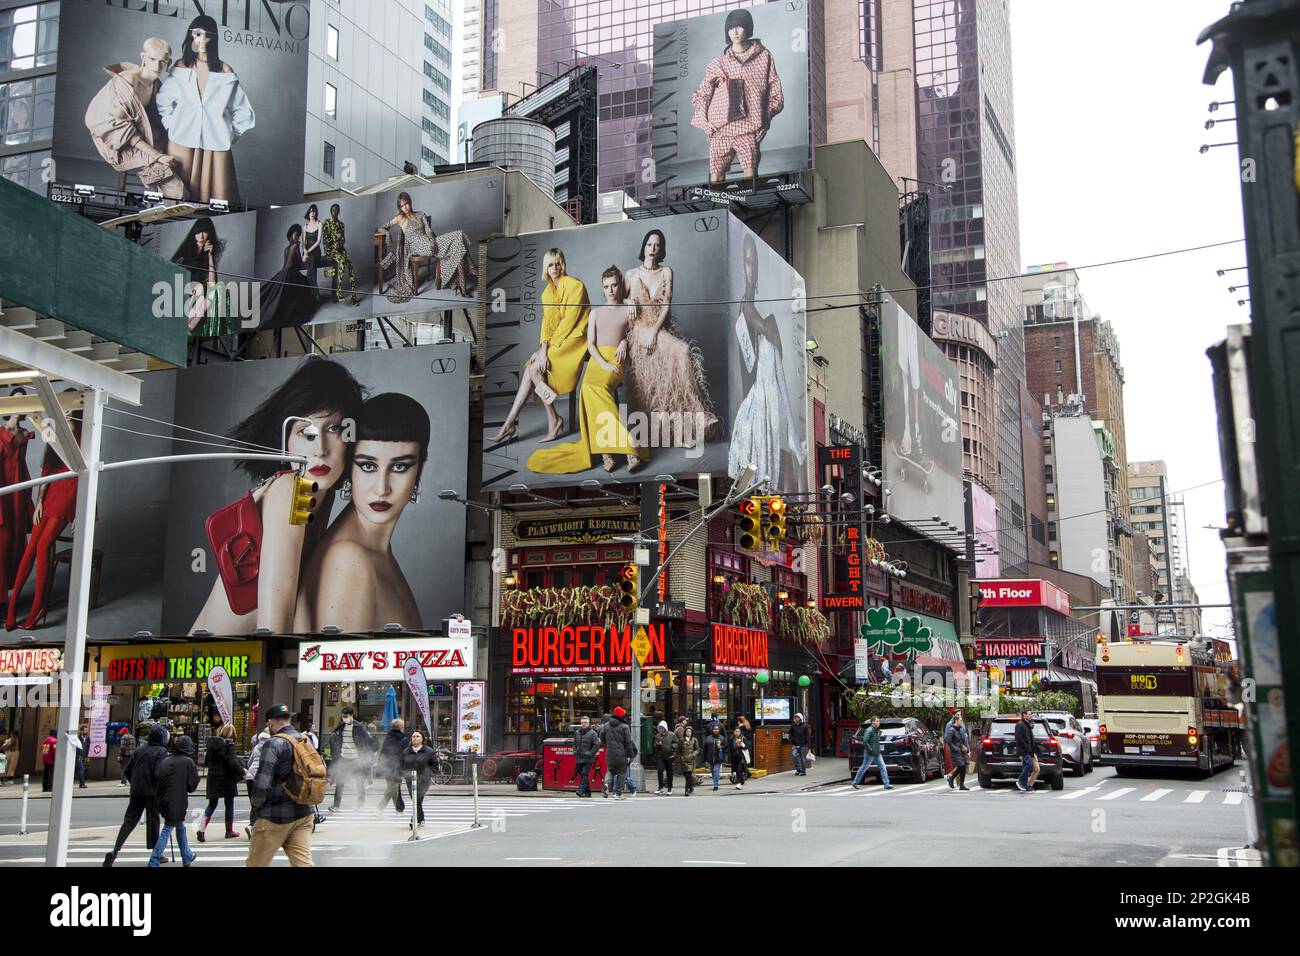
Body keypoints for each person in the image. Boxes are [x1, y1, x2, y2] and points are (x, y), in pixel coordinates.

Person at [191, 357, 363, 635]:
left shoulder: (321, 496)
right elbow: (274, 630)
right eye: (304, 432)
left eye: (333, 429)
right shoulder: (293, 491)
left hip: (240, 664)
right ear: (286, 441)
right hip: (212, 667)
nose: (319, 448)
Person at [294, 393, 429, 632]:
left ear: (420, 466)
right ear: (350, 468)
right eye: (368, 466)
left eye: (399, 467)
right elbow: (333, 668)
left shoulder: (373, 550)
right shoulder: (348, 560)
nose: (381, 488)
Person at [525, 265, 647, 475]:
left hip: (615, 359)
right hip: (598, 361)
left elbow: (636, 332)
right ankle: (609, 453)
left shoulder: (629, 308)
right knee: (588, 389)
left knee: (596, 389)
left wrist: (625, 341)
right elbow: (590, 344)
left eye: (614, 285)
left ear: (620, 286)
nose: (611, 290)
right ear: (602, 289)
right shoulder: (595, 314)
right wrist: (600, 363)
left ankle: (624, 452)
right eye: (606, 286)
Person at [624, 229, 718, 449]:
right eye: (649, 244)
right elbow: (616, 300)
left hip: (657, 328)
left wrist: (654, 332)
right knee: (672, 357)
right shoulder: (630, 274)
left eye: (657, 245)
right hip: (638, 329)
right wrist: (628, 303)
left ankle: (698, 414)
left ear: (661, 249)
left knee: (683, 351)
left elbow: (666, 306)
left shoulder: (667, 272)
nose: (652, 249)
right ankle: (682, 427)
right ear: (643, 247)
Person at [727, 233, 805, 490]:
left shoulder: (753, 308)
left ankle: (793, 436)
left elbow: (772, 343)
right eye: (748, 263)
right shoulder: (747, 308)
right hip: (754, 411)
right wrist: (770, 327)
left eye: (755, 264)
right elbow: (769, 333)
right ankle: (793, 437)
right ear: (742, 265)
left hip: (764, 406)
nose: (752, 270)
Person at [489, 248, 590, 445]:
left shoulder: (575, 285)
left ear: (563, 264)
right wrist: (542, 350)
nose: (555, 268)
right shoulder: (547, 293)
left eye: (558, 263)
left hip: (575, 339)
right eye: (551, 264)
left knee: (534, 369)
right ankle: (511, 423)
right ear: (546, 267)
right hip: (557, 341)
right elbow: (547, 323)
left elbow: (569, 322)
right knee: (532, 369)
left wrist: (547, 350)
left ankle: (549, 419)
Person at [156, 15, 254, 205]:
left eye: (207, 36)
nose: (201, 40)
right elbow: (163, 101)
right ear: (191, 35)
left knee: (217, 201)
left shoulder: (224, 70)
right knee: (178, 199)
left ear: (213, 38)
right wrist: (171, 125)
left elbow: (243, 111)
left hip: (215, 146)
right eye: (197, 34)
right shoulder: (181, 65)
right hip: (181, 140)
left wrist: (228, 135)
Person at [690, 7, 784, 184]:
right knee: (716, 181)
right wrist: (706, 124)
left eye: (739, 26)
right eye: (731, 28)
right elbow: (701, 95)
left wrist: (764, 119)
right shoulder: (717, 63)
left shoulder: (764, 57)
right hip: (721, 129)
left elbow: (776, 92)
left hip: (749, 128)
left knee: (750, 179)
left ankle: (752, 204)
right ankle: (717, 210)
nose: (735, 31)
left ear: (747, 28)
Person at [83, 37, 185, 198]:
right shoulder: (127, 83)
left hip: (141, 133)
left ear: (168, 62)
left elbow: (158, 118)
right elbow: (121, 130)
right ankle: (164, 190)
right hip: (115, 141)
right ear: (143, 57)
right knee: (176, 187)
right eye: (152, 59)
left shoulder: (156, 85)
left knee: (183, 156)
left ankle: (160, 188)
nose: (157, 66)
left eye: (162, 61)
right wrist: (157, 156)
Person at [7, 413, 82, 631]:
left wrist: (82, 508)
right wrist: (39, 499)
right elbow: (47, 467)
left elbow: (86, 471)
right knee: (30, 548)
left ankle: (37, 609)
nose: (65, 412)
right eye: (63, 408)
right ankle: (12, 609)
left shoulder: (85, 434)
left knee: (42, 546)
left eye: (70, 409)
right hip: (51, 491)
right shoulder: (52, 430)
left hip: (69, 491)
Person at [246, 704, 315, 867]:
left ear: (270, 723)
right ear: (287, 719)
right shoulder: (304, 740)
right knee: (303, 864)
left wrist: (256, 809)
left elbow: (262, 783)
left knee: (257, 864)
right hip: (303, 813)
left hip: (275, 815)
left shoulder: (273, 743)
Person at [104, 724, 169, 866]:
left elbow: (127, 770)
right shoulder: (161, 751)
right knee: (153, 821)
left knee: (129, 820)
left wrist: (134, 782)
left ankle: (115, 851)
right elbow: (158, 773)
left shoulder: (140, 749)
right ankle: (156, 854)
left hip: (136, 790)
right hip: (151, 792)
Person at [0, 388, 34, 610]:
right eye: (16, 400)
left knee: (15, 547)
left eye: (24, 400)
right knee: (1, 547)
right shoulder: (0, 432)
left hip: (19, 493)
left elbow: (20, 464)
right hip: (2, 494)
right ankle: (2, 602)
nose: (19, 404)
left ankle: (5, 600)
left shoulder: (25, 433)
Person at [171, 217, 234, 336]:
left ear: (209, 235)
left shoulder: (207, 256)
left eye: (204, 232)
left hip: (198, 297)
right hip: (180, 290)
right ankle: (187, 322)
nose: (201, 236)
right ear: (193, 234)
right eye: (198, 232)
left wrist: (210, 256)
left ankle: (190, 323)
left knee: (217, 289)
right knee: (199, 287)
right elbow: (172, 275)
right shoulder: (184, 255)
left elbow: (212, 284)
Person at [376, 192, 436, 304]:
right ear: (399, 207)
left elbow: (428, 231)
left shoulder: (420, 214)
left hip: (427, 242)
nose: (405, 208)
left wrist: (432, 240)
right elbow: (381, 227)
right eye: (402, 206)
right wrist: (388, 234)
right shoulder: (399, 218)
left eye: (406, 204)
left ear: (410, 202)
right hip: (415, 246)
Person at [258, 223, 320, 329]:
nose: (297, 237)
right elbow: (299, 263)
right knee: (307, 284)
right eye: (296, 235)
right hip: (291, 274)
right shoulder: (295, 246)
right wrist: (306, 256)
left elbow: (286, 264)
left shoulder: (286, 248)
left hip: (283, 273)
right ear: (291, 235)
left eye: (299, 235)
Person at [149, 735, 199, 867]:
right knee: (168, 829)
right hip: (176, 801)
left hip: (162, 800)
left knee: (180, 826)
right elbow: (192, 785)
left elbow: (157, 778)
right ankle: (154, 860)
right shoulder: (187, 762)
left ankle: (187, 855)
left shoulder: (166, 760)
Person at [198, 724, 243, 841]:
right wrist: (242, 771)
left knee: (212, 805)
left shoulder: (211, 745)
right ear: (233, 734)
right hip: (227, 779)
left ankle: (201, 829)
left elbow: (206, 762)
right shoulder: (229, 745)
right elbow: (232, 763)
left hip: (213, 778)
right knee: (229, 804)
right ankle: (229, 831)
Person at [329, 706, 373, 811]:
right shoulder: (341, 726)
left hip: (356, 758)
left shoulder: (360, 727)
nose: (344, 718)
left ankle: (360, 804)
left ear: (351, 715)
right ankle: (336, 805)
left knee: (359, 782)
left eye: (346, 716)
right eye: (343, 716)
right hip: (343, 757)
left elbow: (365, 743)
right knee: (340, 782)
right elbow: (336, 738)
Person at [322, 203, 361, 306]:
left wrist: (337, 244)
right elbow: (325, 240)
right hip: (331, 252)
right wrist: (329, 253)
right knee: (342, 262)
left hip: (340, 249)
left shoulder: (341, 224)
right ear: (331, 211)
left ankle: (353, 296)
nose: (334, 212)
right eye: (333, 210)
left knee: (351, 265)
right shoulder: (326, 223)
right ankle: (339, 291)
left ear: (338, 212)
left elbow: (343, 240)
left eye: (336, 210)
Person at [400, 730, 438, 827]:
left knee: (417, 799)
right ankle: (421, 819)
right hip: (410, 780)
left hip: (424, 780)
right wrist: (404, 774)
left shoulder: (429, 751)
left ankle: (414, 820)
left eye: (417, 736)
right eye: (413, 736)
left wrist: (429, 774)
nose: (415, 738)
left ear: (422, 739)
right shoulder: (406, 751)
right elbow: (401, 765)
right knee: (416, 800)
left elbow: (435, 765)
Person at [376, 718, 408, 815]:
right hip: (396, 767)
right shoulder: (404, 739)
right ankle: (379, 809)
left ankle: (399, 810)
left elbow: (383, 752)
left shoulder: (388, 737)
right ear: (401, 727)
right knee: (392, 788)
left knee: (395, 788)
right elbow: (404, 755)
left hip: (386, 766)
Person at [851, 716, 893, 790]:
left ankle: (886, 784)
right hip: (870, 754)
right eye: (877, 721)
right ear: (873, 722)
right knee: (864, 767)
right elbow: (865, 741)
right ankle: (855, 782)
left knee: (883, 767)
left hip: (877, 753)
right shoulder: (869, 730)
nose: (878, 722)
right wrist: (870, 750)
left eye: (878, 721)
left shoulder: (876, 730)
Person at [604, 706, 634, 800]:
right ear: (621, 715)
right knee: (621, 773)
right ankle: (619, 794)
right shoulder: (624, 727)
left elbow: (601, 737)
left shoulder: (606, 725)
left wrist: (608, 744)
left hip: (610, 754)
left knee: (610, 771)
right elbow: (628, 742)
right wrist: (631, 755)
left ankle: (606, 784)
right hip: (621, 754)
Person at [573, 716, 600, 798]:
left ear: (589, 723)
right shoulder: (577, 732)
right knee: (582, 774)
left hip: (588, 758)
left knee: (584, 773)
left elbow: (596, 745)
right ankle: (588, 792)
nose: (583, 724)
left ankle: (581, 790)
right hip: (579, 757)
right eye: (582, 723)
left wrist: (590, 753)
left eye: (585, 723)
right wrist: (574, 751)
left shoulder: (593, 733)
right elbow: (574, 743)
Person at [302, 204, 324, 302]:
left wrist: (308, 252)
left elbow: (318, 241)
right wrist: (305, 252)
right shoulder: (305, 226)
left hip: (316, 251)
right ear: (308, 213)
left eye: (314, 211)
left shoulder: (319, 224)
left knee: (310, 272)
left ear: (316, 213)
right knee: (310, 271)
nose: (312, 213)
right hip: (308, 252)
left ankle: (315, 295)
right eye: (310, 211)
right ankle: (315, 294)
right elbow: (304, 242)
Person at [945, 713, 971, 791]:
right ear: (956, 720)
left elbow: (964, 739)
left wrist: (967, 749)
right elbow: (948, 741)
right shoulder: (951, 729)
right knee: (961, 766)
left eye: (962, 720)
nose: (961, 721)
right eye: (960, 720)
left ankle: (961, 785)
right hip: (955, 751)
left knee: (963, 766)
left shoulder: (961, 729)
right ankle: (951, 778)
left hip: (962, 751)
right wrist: (956, 748)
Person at [1015, 710, 1039, 793]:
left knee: (1027, 766)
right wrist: (1026, 748)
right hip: (1024, 750)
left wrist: (1031, 725)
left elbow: (1030, 738)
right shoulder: (1020, 724)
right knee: (1029, 764)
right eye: (1029, 714)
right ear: (1024, 715)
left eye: (1031, 714)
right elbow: (1019, 738)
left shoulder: (1027, 724)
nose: (1030, 716)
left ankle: (1025, 785)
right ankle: (1020, 780)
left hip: (1029, 750)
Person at [653, 720, 677, 795]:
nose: (660, 729)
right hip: (660, 755)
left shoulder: (672, 735)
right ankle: (660, 787)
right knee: (660, 771)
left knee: (669, 772)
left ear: (665, 728)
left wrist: (672, 746)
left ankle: (669, 788)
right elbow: (655, 745)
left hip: (669, 755)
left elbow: (676, 743)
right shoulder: (657, 736)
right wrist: (657, 745)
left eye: (662, 728)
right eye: (659, 728)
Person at [702, 723, 727, 791]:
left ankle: (716, 785)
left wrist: (720, 747)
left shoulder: (722, 738)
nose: (716, 730)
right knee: (713, 771)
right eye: (715, 729)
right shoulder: (708, 738)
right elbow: (705, 748)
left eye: (717, 729)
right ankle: (715, 782)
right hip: (710, 757)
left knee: (716, 770)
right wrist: (704, 757)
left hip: (718, 757)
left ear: (719, 730)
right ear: (712, 730)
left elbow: (726, 747)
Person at [676, 725, 700, 796]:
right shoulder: (681, 740)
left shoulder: (694, 740)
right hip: (684, 760)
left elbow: (697, 749)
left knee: (689, 775)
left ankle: (686, 790)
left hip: (691, 760)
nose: (688, 733)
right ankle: (691, 787)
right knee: (686, 775)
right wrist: (681, 757)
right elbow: (679, 750)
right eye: (687, 731)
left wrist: (693, 754)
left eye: (690, 732)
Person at [790, 712, 810, 777]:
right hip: (795, 745)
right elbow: (790, 734)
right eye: (795, 717)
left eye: (797, 717)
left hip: (802, 745)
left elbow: (807, 736)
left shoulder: (805, 726)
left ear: (800, 718)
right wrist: (792, 740)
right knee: (794, 756)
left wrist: (809, 745)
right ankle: (798, 770)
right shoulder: (793, 725)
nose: (796, 718)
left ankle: (803, 771)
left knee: (802, 759)